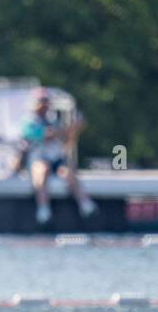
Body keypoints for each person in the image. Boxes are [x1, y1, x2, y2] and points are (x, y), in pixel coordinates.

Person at [15, 88, 97, 225]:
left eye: (47, 102)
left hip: (56, 159)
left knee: (68, 173)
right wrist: (70, 128)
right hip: (37, 159)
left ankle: (85, 204)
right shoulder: (28, 121)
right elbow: (46, 135)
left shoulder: (52, 120)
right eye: (42, 102)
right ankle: (43, 208)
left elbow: (65, 141)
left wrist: (74, 131)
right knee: (42, 171)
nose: (45, 105)